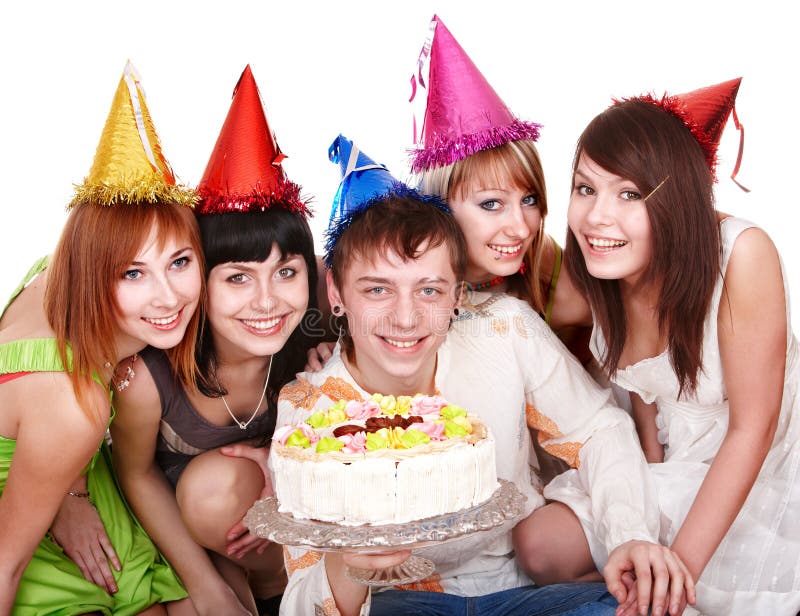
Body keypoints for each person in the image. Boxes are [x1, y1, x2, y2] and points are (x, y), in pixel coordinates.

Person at [232, 135, 695, 616]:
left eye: (429, 290)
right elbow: (303, 601)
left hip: (521, 594)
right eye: (377, 290)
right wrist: (347, 564)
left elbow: (598, 430)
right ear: (337, 292)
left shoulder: (505, 327)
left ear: (458, 293)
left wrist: (630, 536)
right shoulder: (310, 409)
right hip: (394, 605)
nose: (406, 319)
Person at [535, 78, 800, 614]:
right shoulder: (606, 273)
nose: (596, 218)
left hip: (763, 464)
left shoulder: (742, 255)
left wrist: (675, 575)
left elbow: (755, 429)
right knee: (538, 545)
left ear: (676, 199)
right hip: (677, 460)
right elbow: (644, 407)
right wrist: (643, 520)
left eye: (629, 193)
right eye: (585, 189)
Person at [110, 66, 318, 616]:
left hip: (286, 529)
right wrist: (202, 583)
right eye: (238, 278)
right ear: (198, 281)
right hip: (183, 523)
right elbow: (135, 472)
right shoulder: (145, 374)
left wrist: (283, 457)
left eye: (286, 272)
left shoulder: (318, 336)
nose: (268, 301)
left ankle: (289, 595)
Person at [0, 62, 202, 615]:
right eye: (132, 274)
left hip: (71, 476)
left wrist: (72, 488)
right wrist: (60, 492)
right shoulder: (75, 405)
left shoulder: (52, 273)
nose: (168, 297)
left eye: (179, 262)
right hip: (21, 512)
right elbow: (4, 562)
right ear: (91, 272)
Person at [410, 15, 592, 359]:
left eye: (529, 199)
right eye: (491, 204)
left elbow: (624, 330)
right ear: (439, 207)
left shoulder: (552, 280)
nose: (521, 227)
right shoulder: (396, 267)